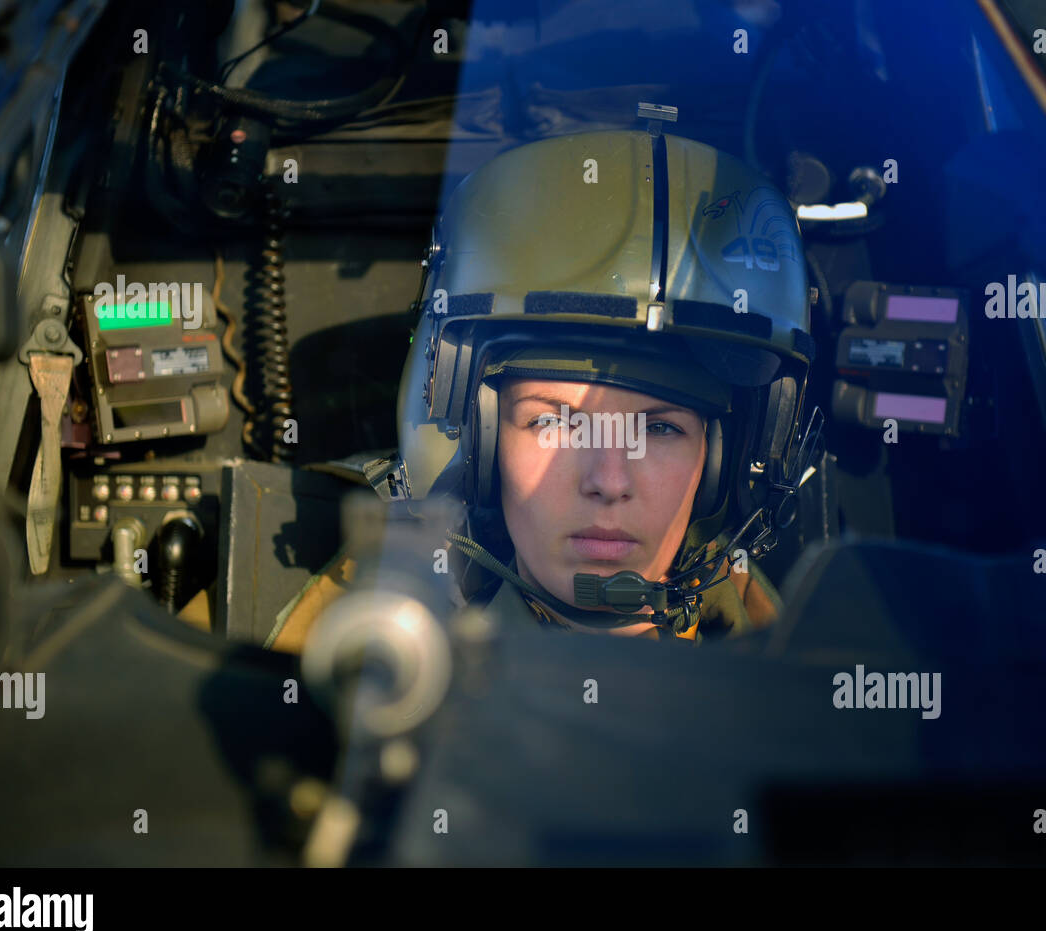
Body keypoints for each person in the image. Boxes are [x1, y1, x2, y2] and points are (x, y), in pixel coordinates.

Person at [266, 126, 818, 651]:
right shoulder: (324, 634)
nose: (608, 481)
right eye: (555, 422)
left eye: (659, 428)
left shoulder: (802, 669)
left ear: (720, 462)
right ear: (477, 447)